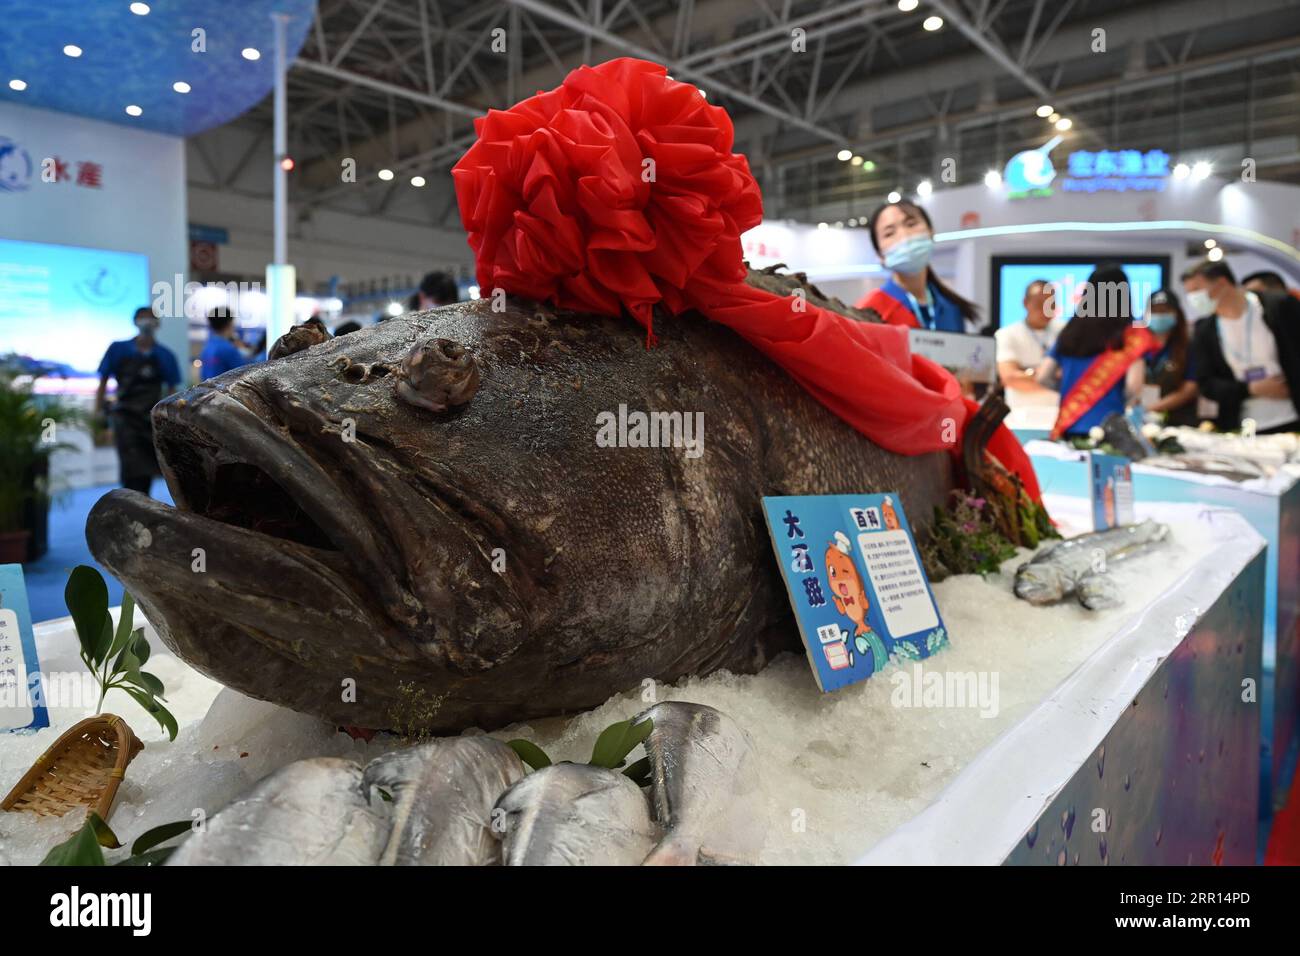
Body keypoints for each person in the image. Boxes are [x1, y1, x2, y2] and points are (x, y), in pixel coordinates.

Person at [1034, 264, 1155, 440]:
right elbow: (1132, 388)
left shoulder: (1070, 330)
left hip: (1069, 427)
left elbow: (1042, 377)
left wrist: (1071, 390)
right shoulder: (1132, 335)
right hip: (1110, 431)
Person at [1184, 259, 1300, 433]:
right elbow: (1207, 384)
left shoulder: (1279, 306)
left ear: (1222, 283)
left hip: (1292, 416)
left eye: (1196, 290)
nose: (1193, 298)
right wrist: (1250, 389)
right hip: (1243, 425)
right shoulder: (1205, 330)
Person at [855, 200, 979, 332]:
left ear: (931, 232)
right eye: (889, 233)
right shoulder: (868, 312)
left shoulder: (951, 308)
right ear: (880, 256)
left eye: (911, 224)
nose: (904, 236)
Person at [95, 307, 182, 495]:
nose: (146, 322)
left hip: (149, 419)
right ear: (134, 321)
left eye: (150, 318)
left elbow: (172, 391)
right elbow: (102, 381)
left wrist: (169, 421)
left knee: (146, 472)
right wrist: (99, 413)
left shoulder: (165, 355)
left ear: (157, 324)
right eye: (142, 318)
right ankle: (131, 506)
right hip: (124, 418)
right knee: (130, 470)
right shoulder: (118, 349)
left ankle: (141, 506)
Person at [995, 279, 1062, 406]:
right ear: (1025, 303)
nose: (1046, 310)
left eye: (1051, 304)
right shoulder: (1006, 334)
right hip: (1020, 417)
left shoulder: (1065, 332)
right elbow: (1009, 378)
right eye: (1040, 304)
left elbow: (1074, 376)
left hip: (1060, 414)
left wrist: (1026, 372)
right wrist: (1053, 376)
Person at [1139, 289, 1199, 427]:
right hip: (1139, 417)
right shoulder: (1136, 346)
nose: (1159, 315)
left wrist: (1155, 407)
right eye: (1154, 311)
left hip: (1178, 420)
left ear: (1177, 314)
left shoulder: (1188, 346)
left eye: (1165, 311)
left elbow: (1190, 387)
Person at [199, 307, 251, 380]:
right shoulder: (228, 349)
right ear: (229, 323)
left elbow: (203, 376)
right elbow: (246, 375)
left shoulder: (206, 348)